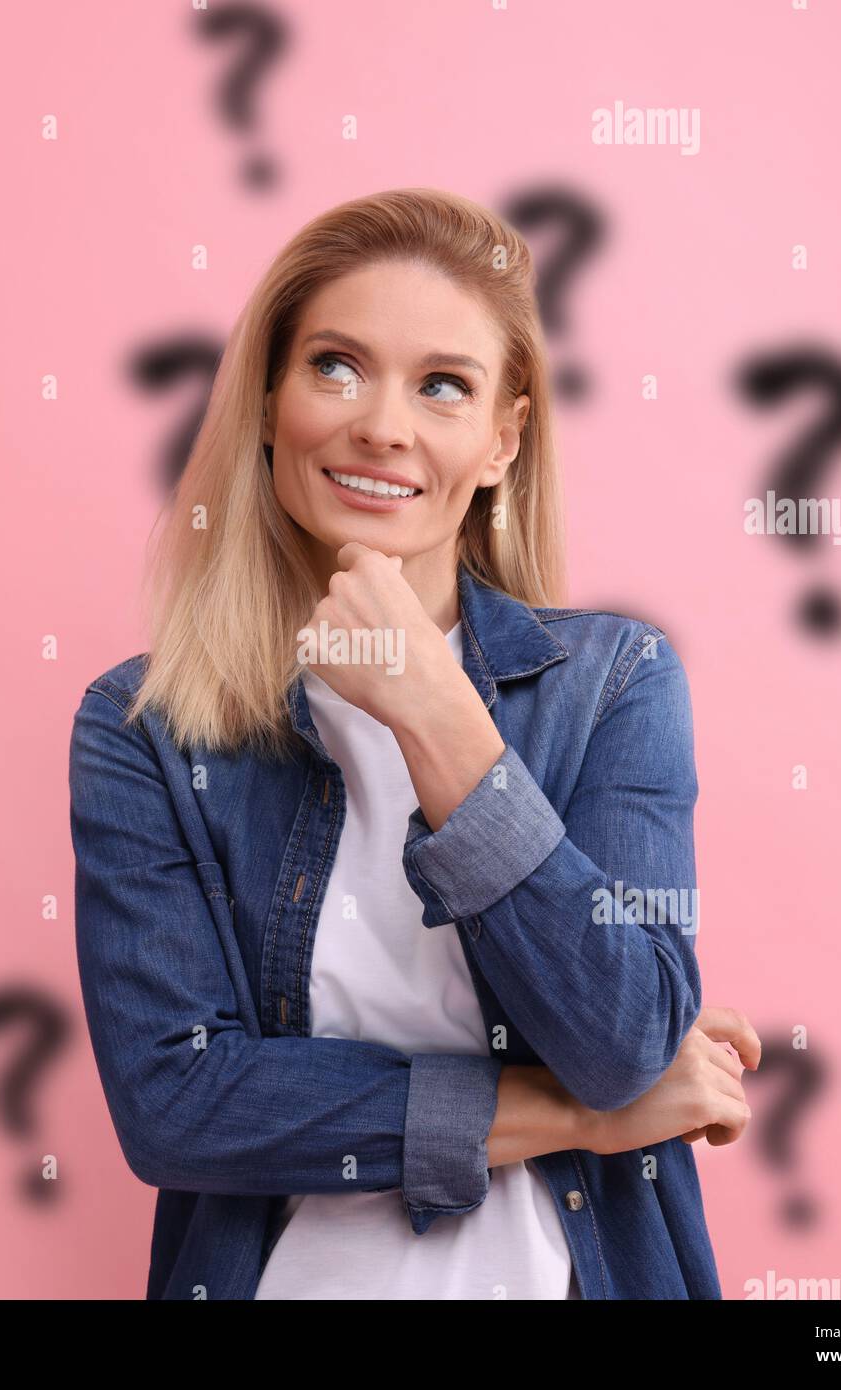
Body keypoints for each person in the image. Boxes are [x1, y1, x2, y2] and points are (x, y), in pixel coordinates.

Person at [69, 187, 760, 1301]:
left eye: (443, 385)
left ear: (501, 441)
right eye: (335, 365)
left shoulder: (616, 683)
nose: (381, 424)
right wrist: (575, 1114)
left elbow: (625, 1030)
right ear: (265, 403)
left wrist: (435, 709)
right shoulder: (146, 727)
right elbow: (179, 1106)